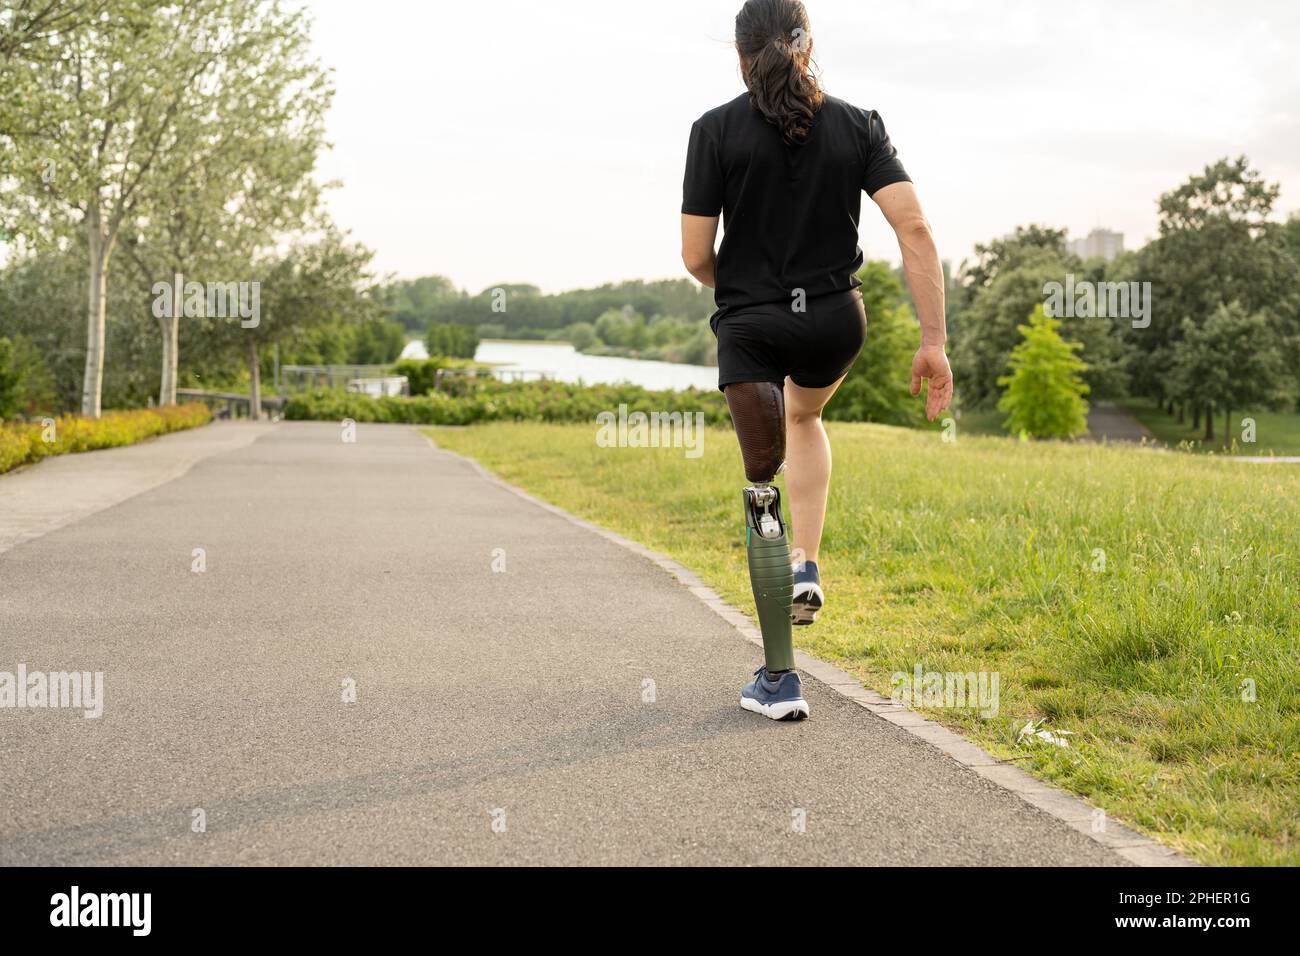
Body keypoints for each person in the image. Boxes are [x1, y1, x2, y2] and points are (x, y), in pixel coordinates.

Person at [680, 0, 953, 720]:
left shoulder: (713, 130)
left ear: (740, 55)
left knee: (759, 479)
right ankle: (807, 563)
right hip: (836, 321)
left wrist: (745, 292)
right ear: (808, 45)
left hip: (752, 325)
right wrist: (933, 342)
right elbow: (915, 229)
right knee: (805, 414)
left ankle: (780, 679)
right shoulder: (859, 124)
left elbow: (694, 256)